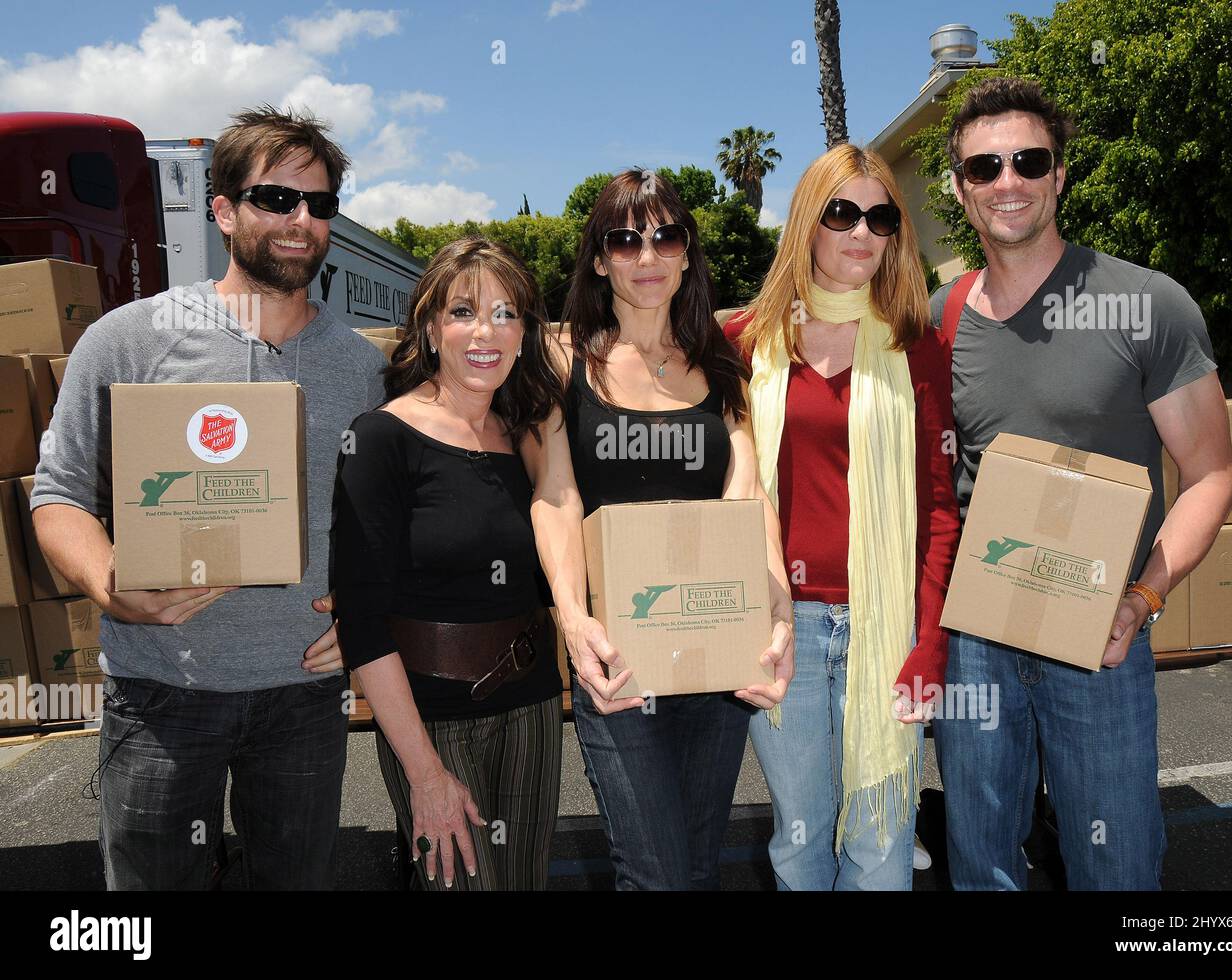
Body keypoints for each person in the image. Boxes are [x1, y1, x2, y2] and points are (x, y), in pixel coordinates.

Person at [30, 106, 388, 889]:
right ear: (224, 211)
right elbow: (57, 496)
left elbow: (377, 522)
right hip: (162, 691)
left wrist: (367, 612)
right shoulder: (130, 339)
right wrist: (113, 586)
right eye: (276, 199)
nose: (300, 221)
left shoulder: (359, 367)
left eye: (319, 205)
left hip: (304, 694)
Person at [931, 77, 1232, 890]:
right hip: (977, 640)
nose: (1009, 181)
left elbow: (1211, 474)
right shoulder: (940, 317)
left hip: (1102, 633)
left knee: (1118, 866)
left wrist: (1144, 597)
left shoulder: (1147, 304)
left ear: (1060, 174)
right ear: (960, 189)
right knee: (983, 865)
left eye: (1029, 160)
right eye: (985, 167)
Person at [525, 169, 794, 890]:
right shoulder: (562, 362)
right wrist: (572, 619)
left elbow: (748, 495)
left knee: (699, 868)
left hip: (717, 645)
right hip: (618, 656)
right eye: (625, 238)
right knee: (656, 873)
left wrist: (778, 612)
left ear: (686, 253)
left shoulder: (721, 365)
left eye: (665, 236)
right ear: (599, 258)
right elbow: (555, 495)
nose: (647, 256)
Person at [724, 143, 960, 890]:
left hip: (882, 629)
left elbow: (939, 511)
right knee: (798, 842)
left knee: (881, 849)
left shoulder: (916, 345)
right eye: (842, 213)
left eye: (880, 216)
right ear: (807, 223)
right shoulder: (745, 343)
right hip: (779, 629)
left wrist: (930, 644)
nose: (862, 232)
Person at [332, 237, 566, 891]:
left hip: (535, 708)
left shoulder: (527, 436)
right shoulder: (380, 438)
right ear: (431, 328)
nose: (485, 331)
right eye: (463, 312)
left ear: (525, 333)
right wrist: (423, 771)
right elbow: (361, 617)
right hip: (433, 719)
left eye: (506, 313)